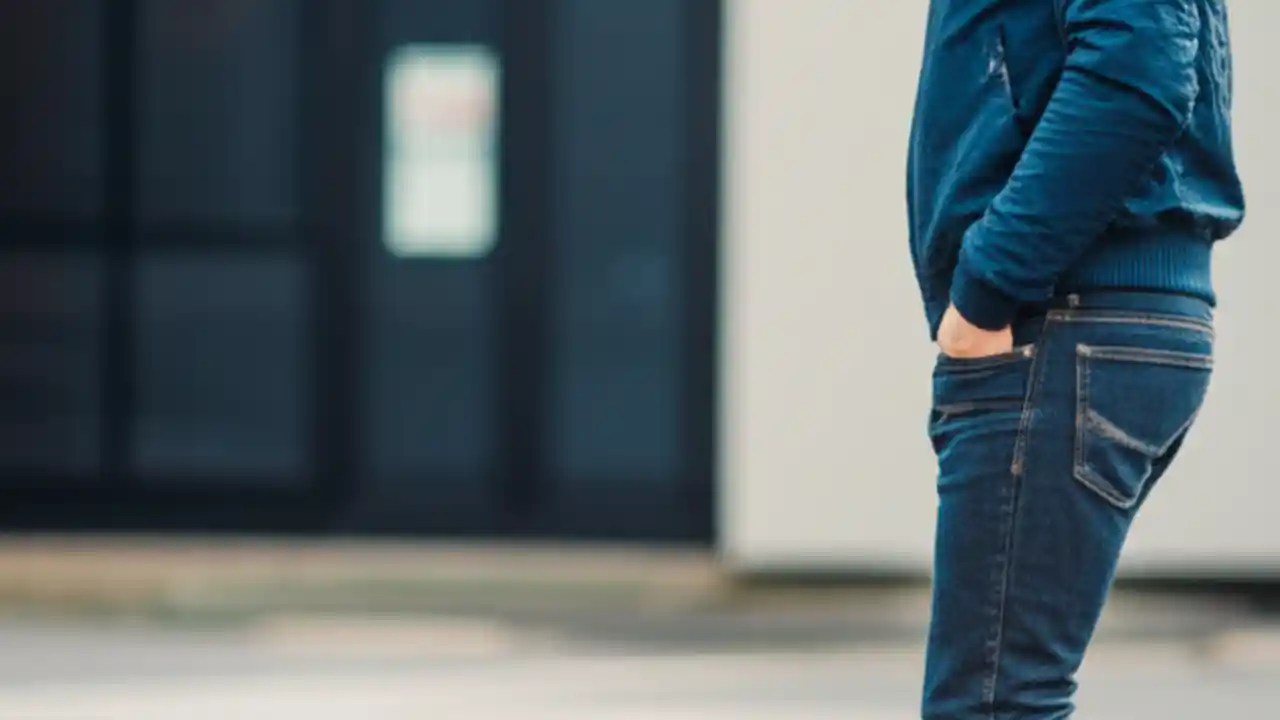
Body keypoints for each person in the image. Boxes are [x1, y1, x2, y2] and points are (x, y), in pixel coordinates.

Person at [906, 0, 1244, 717]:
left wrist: (987, 289)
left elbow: (1138, 64)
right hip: (1088, 316)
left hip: (1063, 315)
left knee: (993, 702)